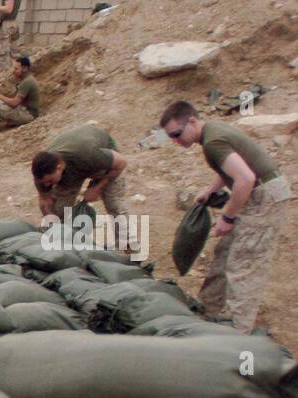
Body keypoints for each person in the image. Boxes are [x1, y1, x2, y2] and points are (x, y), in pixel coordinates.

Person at [160, 99, 293, 332]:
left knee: (244, 264)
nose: (175, 141)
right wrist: (210, 191)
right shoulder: (212, 133)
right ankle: (206, 310)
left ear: (192, 121)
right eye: (171, 136)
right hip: (256, 195)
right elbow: (230, 169)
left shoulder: (213, 141)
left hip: (264, 198)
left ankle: (238, 332)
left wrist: (227, 217)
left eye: (177, 134)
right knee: (225, 252)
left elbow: (245, 178)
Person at [31, 124, 129, 224]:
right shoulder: (41, 172)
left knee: (114, 204)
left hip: (105, 164)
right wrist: (51, 221)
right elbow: (45, 200)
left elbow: (121, 163)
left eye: (50, 181)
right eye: (44, 183)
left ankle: (126, 239)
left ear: (59, 168)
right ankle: (68, 236)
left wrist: (97, 188)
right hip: (72, 169)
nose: (47, 185)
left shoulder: (88, 154)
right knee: (60, 210)